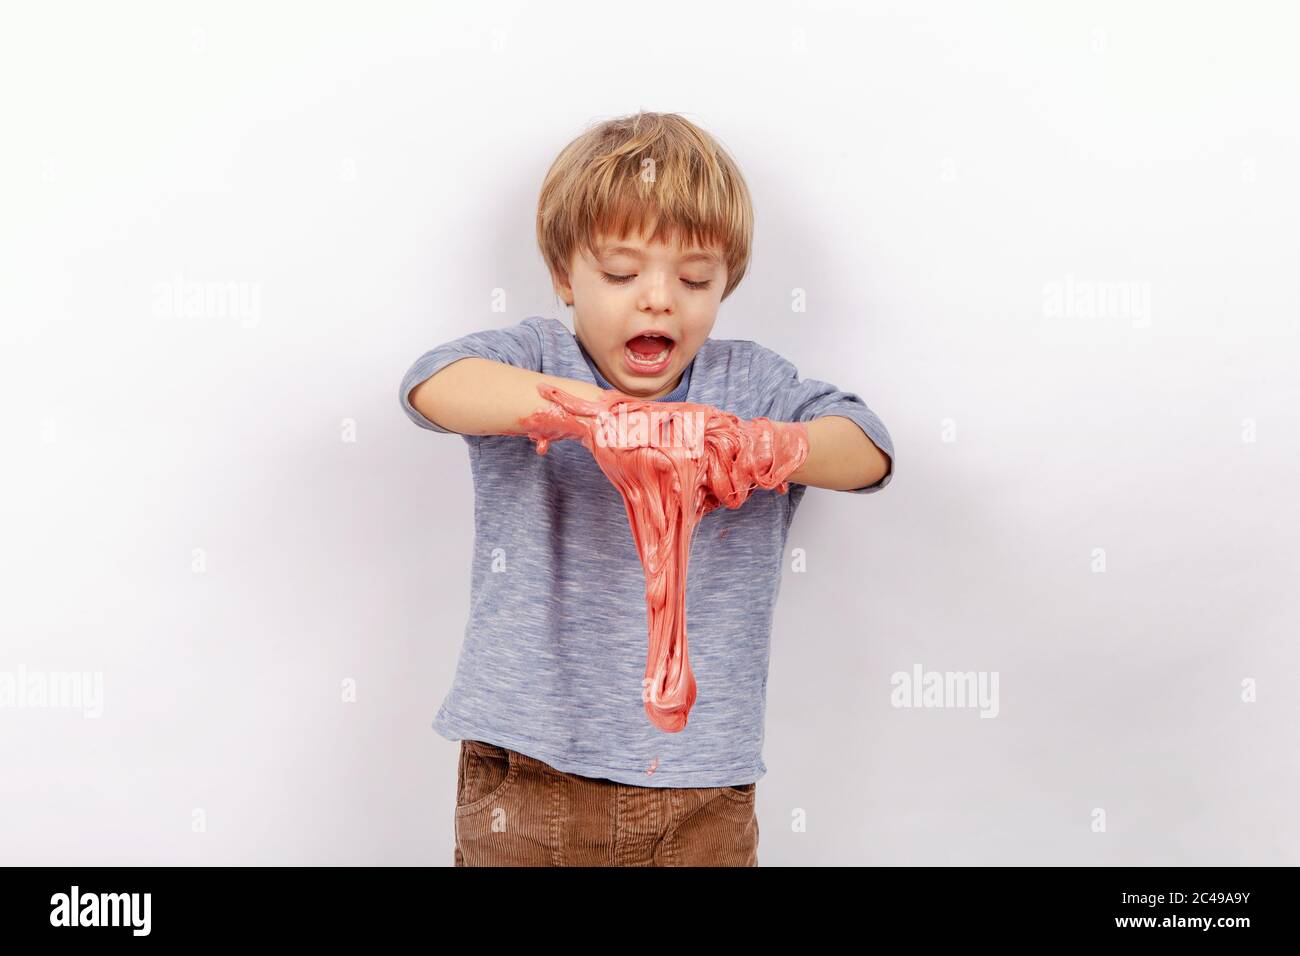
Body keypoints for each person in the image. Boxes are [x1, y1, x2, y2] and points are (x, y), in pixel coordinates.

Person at [398, 111, 894, 866]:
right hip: (529, 774)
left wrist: (763, 444)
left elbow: (868, 450)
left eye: (694, 278)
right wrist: (598, 418)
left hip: (703, 788)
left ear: (726, 280)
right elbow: (431, 384)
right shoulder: (539, 358)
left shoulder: (749, 384)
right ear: (566, 275)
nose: (659, 299)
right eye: (622, 274)